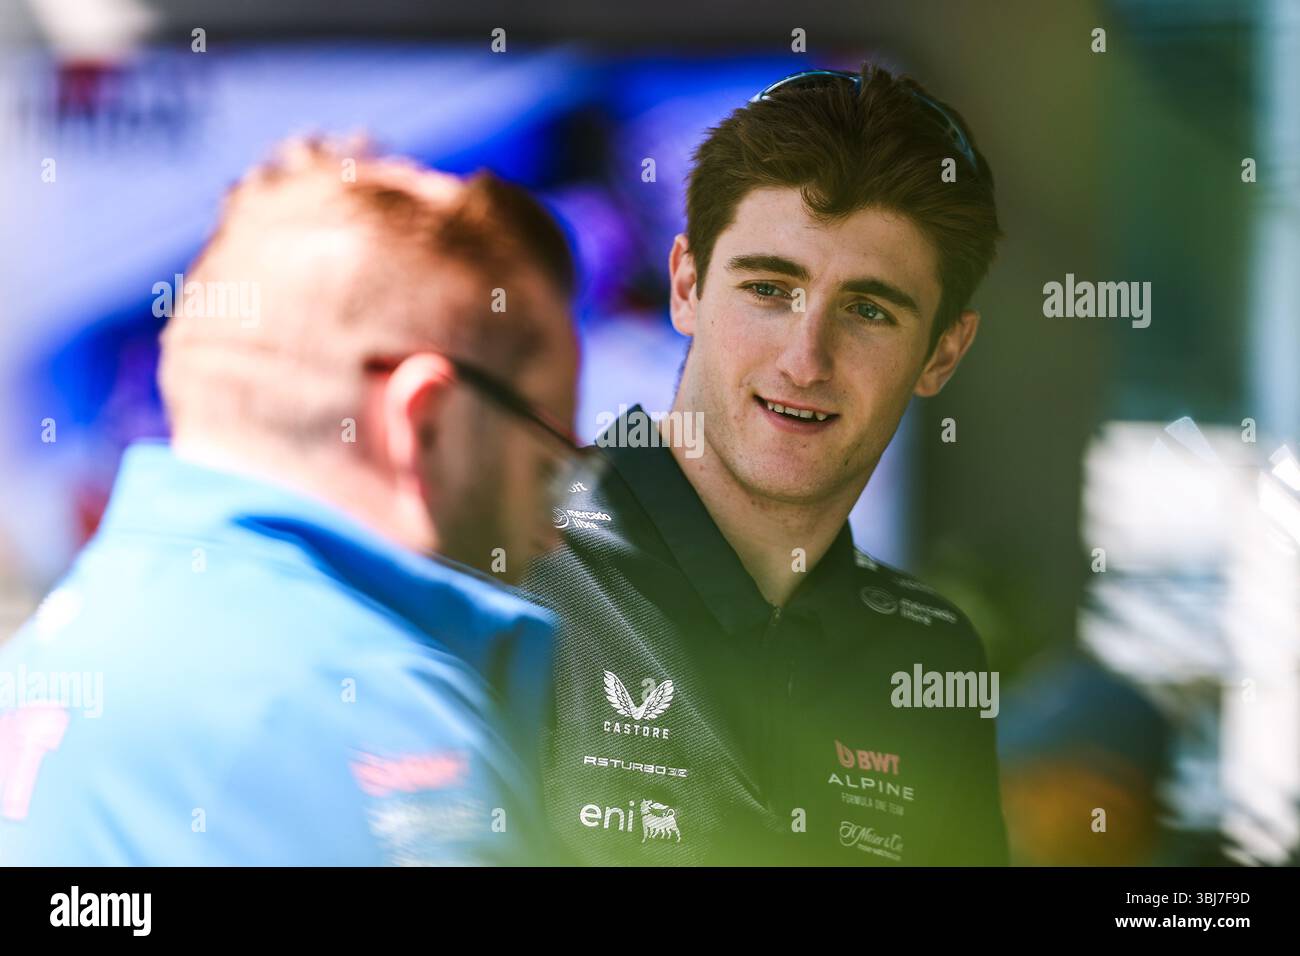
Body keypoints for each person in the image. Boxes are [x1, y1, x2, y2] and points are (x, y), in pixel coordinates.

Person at [0, 138, 581, 865]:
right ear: (425, 423)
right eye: (551, 463)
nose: (556, 530)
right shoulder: (381, 731)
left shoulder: (37, 666)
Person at [525, 63, 1009, 864]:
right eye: (769, 288)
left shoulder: (928, 657)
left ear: (943, 354)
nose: (805, 359)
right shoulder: (513, 564)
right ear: (687, 284)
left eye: (868, 310)